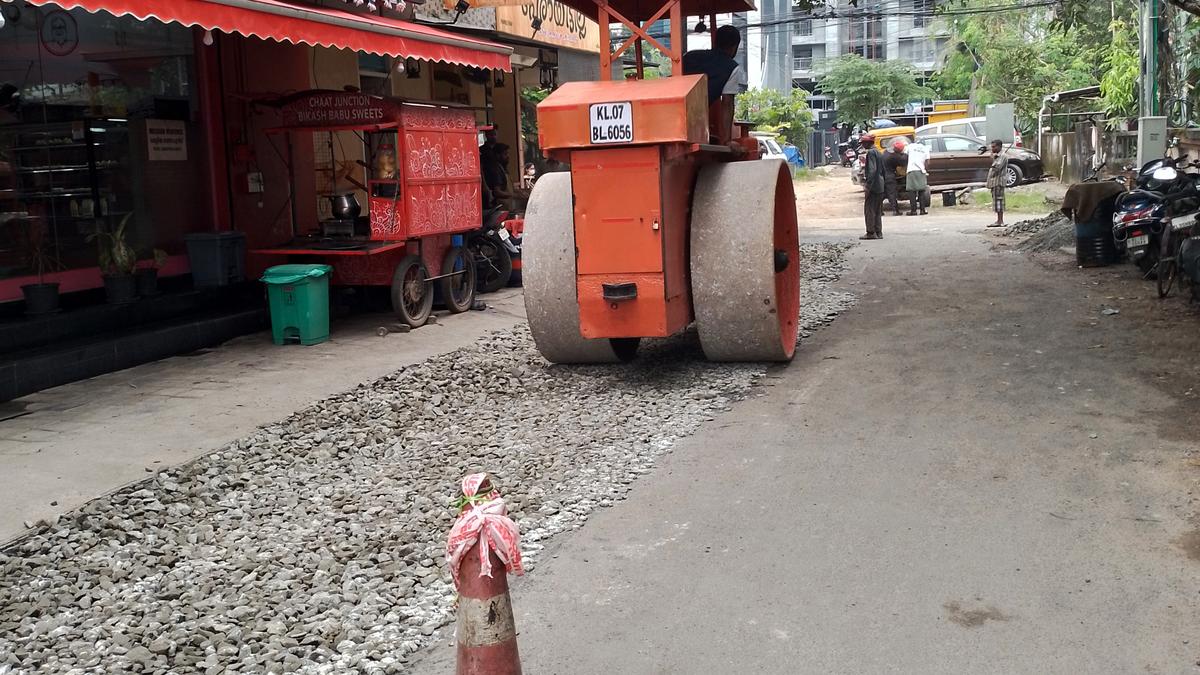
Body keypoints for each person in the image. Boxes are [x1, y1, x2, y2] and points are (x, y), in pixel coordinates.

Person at [682, 25, 747, 145]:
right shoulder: (732, 68)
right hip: (693, 121)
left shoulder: (690, 56)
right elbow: (727, 104)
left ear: (715, 42)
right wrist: (727, 141)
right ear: (734, 47)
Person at [860, 134, 884, 240]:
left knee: (870, 209)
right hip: (881, 184)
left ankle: (870, 232)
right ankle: (878, 232)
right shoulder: (879, 152)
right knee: (878, 209)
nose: (863, 145)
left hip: (874, 185)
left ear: (868, 143)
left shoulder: (871, 153)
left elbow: (872, 170)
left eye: (864, 143)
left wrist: (868, 185)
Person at [986, 139, 1009, 227]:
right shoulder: (997, 156)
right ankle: (998, 220)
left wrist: (993, 159)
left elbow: (997, 168)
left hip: (998, 182)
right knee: (996, 201)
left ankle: (1000, 221)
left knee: (999, 201)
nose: (992, 148)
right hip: (994, 182)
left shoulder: (1002, 156)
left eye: (994, 147)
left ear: (999, 147)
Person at [883, 139, 908, 216]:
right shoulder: (894, 156)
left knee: (882, 194)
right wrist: (905, 154)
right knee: (892, 194)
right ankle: (895, 211)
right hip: (889, 176)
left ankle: (879, 211)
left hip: (882, 175)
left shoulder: (886, 152)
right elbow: (903, 161)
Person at [905, 139, 931, 216]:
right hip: (921, 171)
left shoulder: (910, 146)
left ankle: (913, 211)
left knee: (912, 192)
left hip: (911, 170)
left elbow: (904, 155)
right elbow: (928, 162)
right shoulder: (926, 149)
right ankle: (922, 210)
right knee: (922, 191)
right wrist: (925, 170)